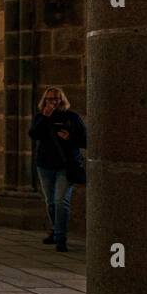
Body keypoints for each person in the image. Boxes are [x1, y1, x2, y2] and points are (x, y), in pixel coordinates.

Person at [27, 86, 87, 253]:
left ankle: (61, 238)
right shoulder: (40, 117)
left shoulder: (72, 117)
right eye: (50, 99)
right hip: (45, 165)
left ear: (62, 100)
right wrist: (45, 117)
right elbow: (33, 134)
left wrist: (70, 137)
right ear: (44, 100)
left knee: (61, 201)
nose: (53, 102)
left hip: (65, 166)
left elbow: (85, 140)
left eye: (56, 99)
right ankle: (54, 230)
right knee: (51, 202)